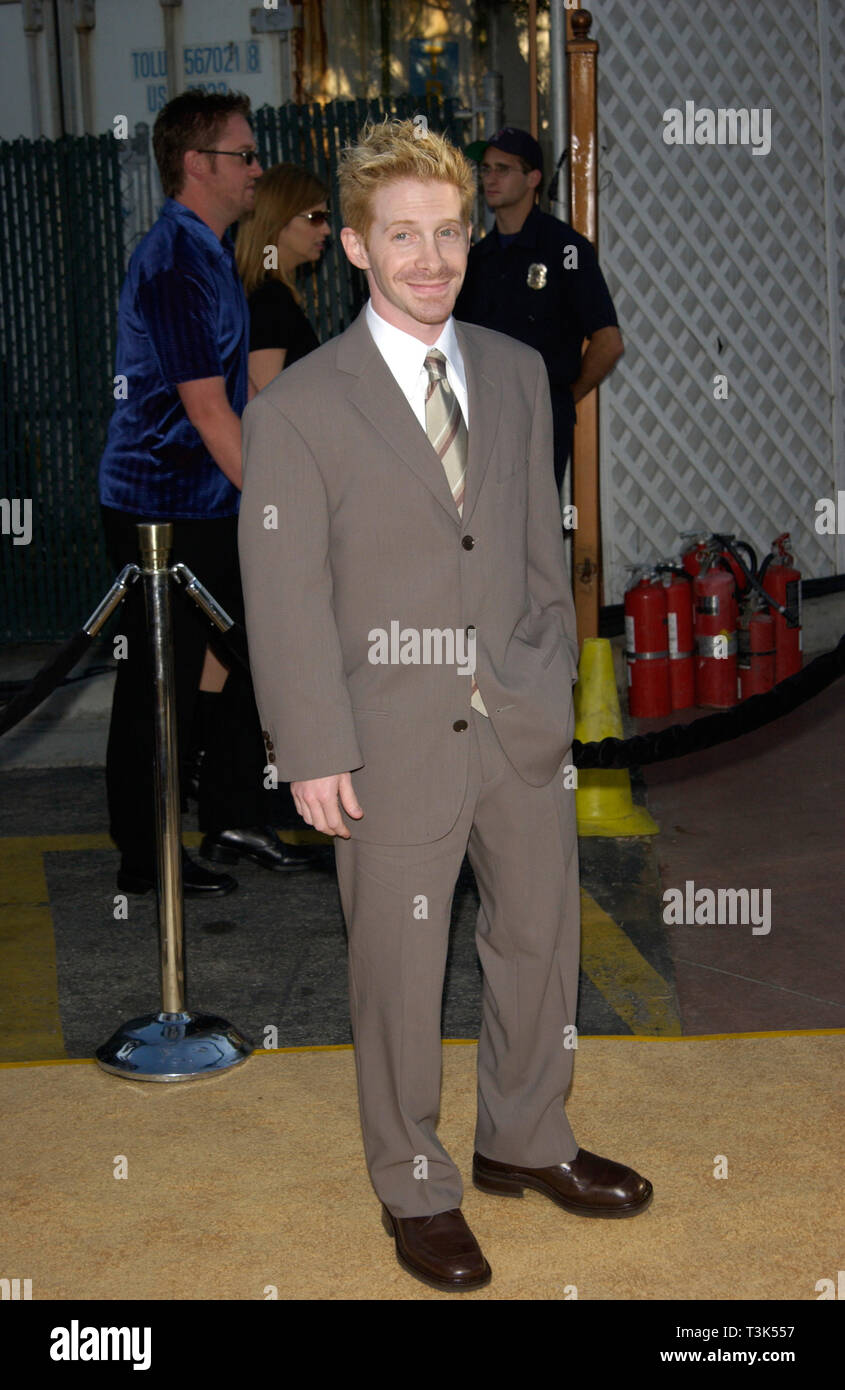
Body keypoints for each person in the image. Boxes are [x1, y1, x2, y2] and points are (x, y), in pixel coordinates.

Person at [238, 119, 652, 1292]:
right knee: (398, 974)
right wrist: (311, 746)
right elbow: (284, 592)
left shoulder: (519, 372)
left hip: (515, 724)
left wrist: (541, 686)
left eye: (449, 232)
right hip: (382, 740)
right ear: (356, 249)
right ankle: (412, 1184)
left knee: (538, 944)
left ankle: (526, 1138)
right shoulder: (300, 408)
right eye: (402, 235)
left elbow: (530, 549)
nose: (431, 257)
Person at [98, 90, 324, 895]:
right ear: (197, 166)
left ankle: (228, 814)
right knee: (160, 682)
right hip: (160, 507)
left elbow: (237, 400)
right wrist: (277, 505)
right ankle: (146, 855)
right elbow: (204, 409)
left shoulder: (211, 255)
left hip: (202, 503)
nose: (258, 168)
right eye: (245, 155)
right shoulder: (173, 260)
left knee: (234, 661)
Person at [454, 126, 624, 492]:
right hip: (483, 417)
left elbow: (608, 342)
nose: (490, 179)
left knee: (534, 527)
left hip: (539, 416)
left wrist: (562, 398)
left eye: (503, 169)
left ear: (533, 178)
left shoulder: (565, 249)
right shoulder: (476, 258)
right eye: (485, 169)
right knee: (481, 526)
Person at [235, 162, 330, 393]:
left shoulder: (267, 294)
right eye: (315, 217)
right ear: (278, 221)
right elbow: (266, 405)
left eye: (325, 217)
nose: (326, 229)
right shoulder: (269, 299)